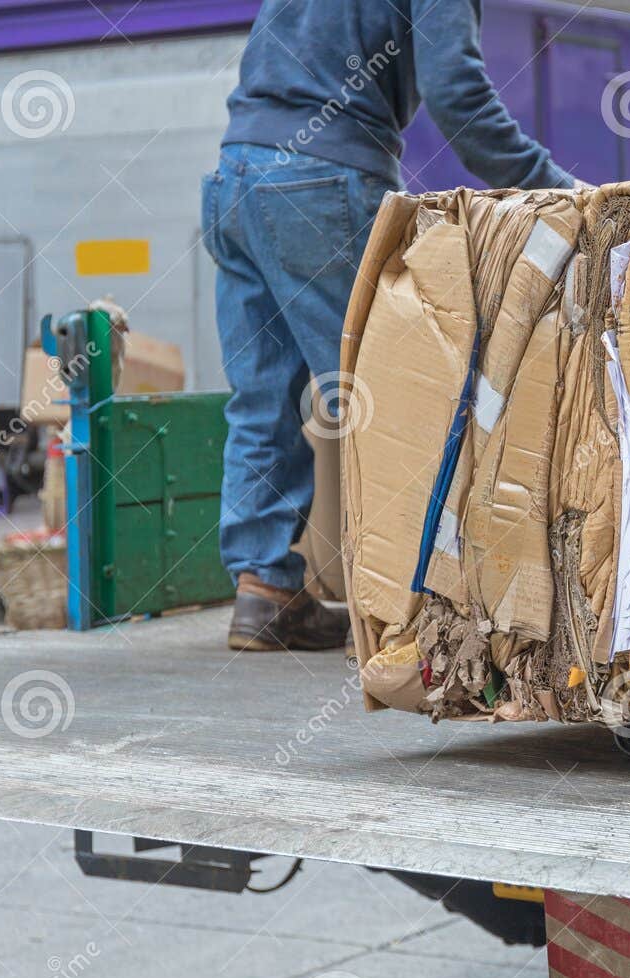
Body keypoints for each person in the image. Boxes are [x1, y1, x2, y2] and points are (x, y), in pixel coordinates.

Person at [203, 0, 572, 651]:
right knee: (395, 391)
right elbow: (458, 97)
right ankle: (412, 604)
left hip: (235, 177)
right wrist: (561, 192)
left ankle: (264, 591)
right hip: (320, 178)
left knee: (261, 395)